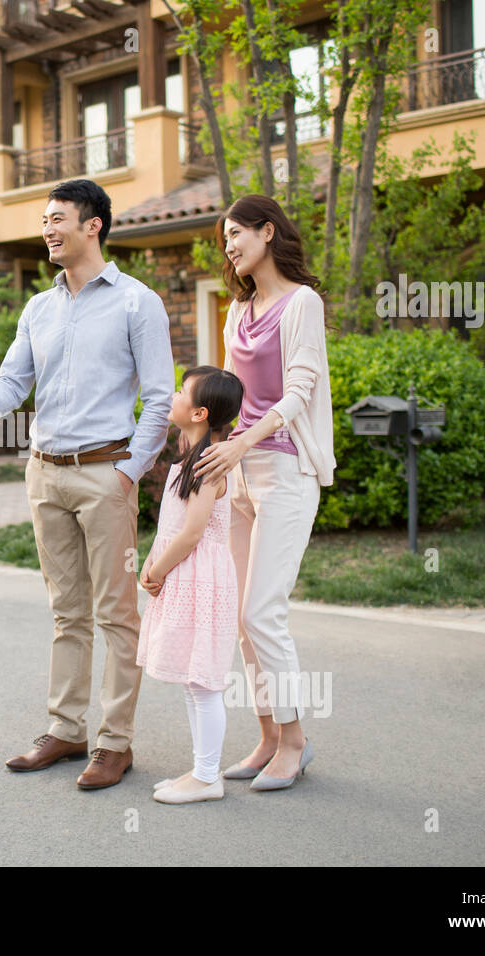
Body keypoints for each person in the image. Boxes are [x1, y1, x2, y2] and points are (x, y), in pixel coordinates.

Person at [0, 179, 174, 790]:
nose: (47, 229)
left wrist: (129, 473)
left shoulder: (137, 303)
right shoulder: (38, 308)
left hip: (106, 473)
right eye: (44, 220)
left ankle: (115, 742)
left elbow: (160, 399)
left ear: (93, 225)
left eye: (58, 219)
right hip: (44, 472)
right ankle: (66, 729)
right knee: (65, 611)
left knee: (116, 614)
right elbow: (9, 385)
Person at [190, 194, 336, 792]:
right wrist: (213, 452)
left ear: (267, 232)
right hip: (241, 474)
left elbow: (299, 391)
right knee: (242, 621)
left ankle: (296, 742)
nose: (228, 246)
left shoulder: (304, 304)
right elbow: (229, 394)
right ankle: (269, 737)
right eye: (224, 239)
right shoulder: (239, 311)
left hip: (286, 472)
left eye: (235, 234)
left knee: (261, 611)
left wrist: (244, 444)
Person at [137, 366, 244, 804]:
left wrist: (158, 569)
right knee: (191, 680)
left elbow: (192, 533)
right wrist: (152, 559)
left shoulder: (209, 464)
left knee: (203, 683)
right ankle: (201, 770)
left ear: (199, 412)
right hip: (186, 576)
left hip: (199, 581)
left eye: (181, 392)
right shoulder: (191, 457)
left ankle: (207, 776)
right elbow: (172, 525)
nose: (173, 396)